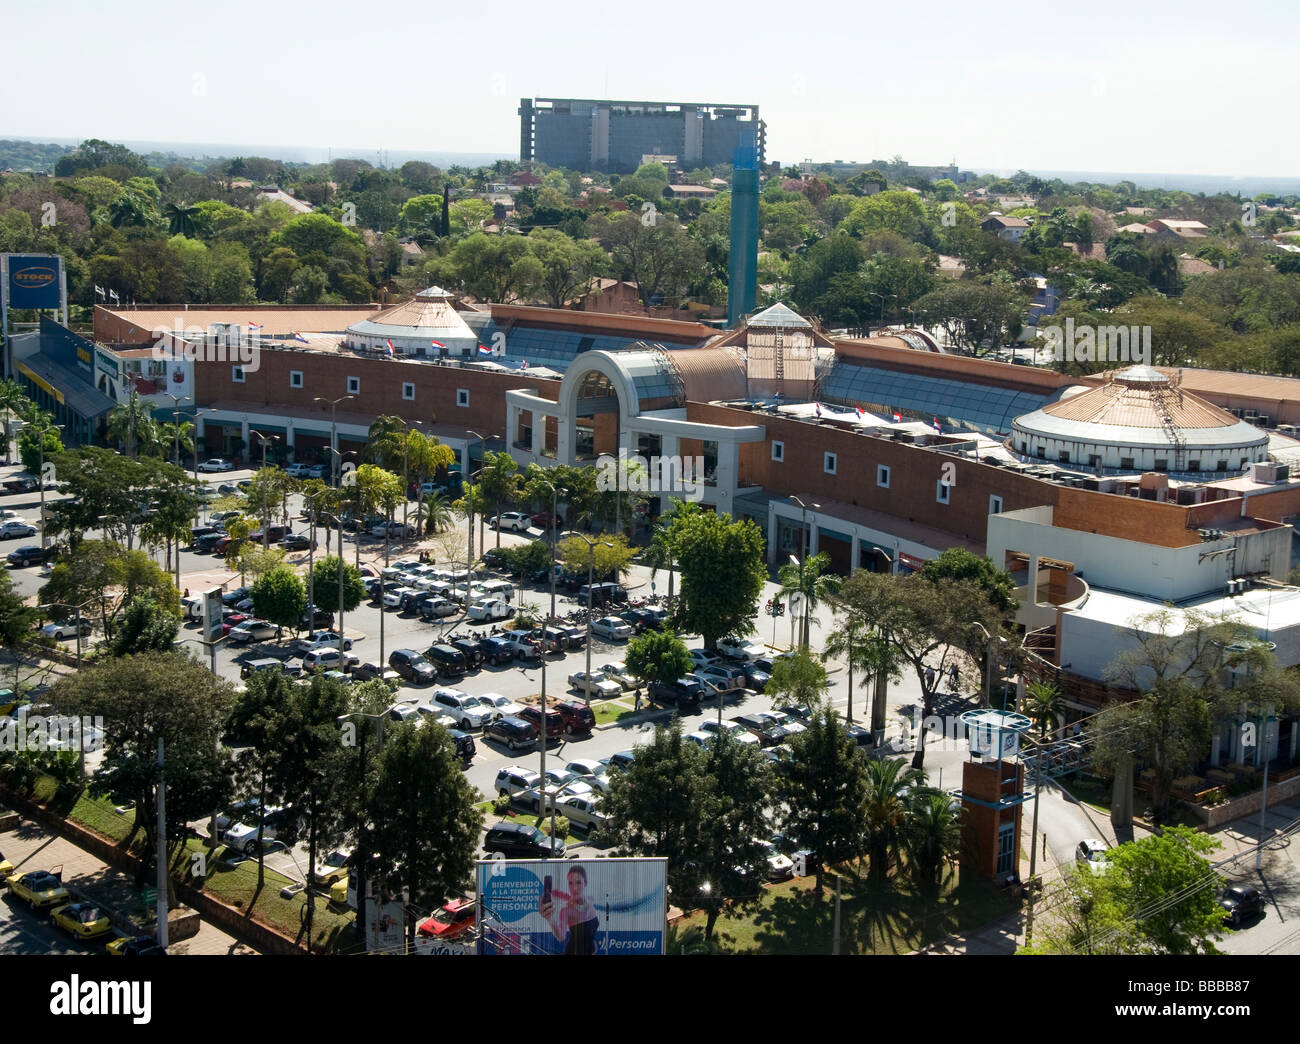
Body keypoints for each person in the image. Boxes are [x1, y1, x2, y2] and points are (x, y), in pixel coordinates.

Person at [540, 864, 599, 954]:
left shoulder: (591, 900)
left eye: (578, 882)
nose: (574, 888)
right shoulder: (566, 911)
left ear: (585, 883)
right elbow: (561, 937)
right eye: (570, 883)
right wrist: (549, 919)